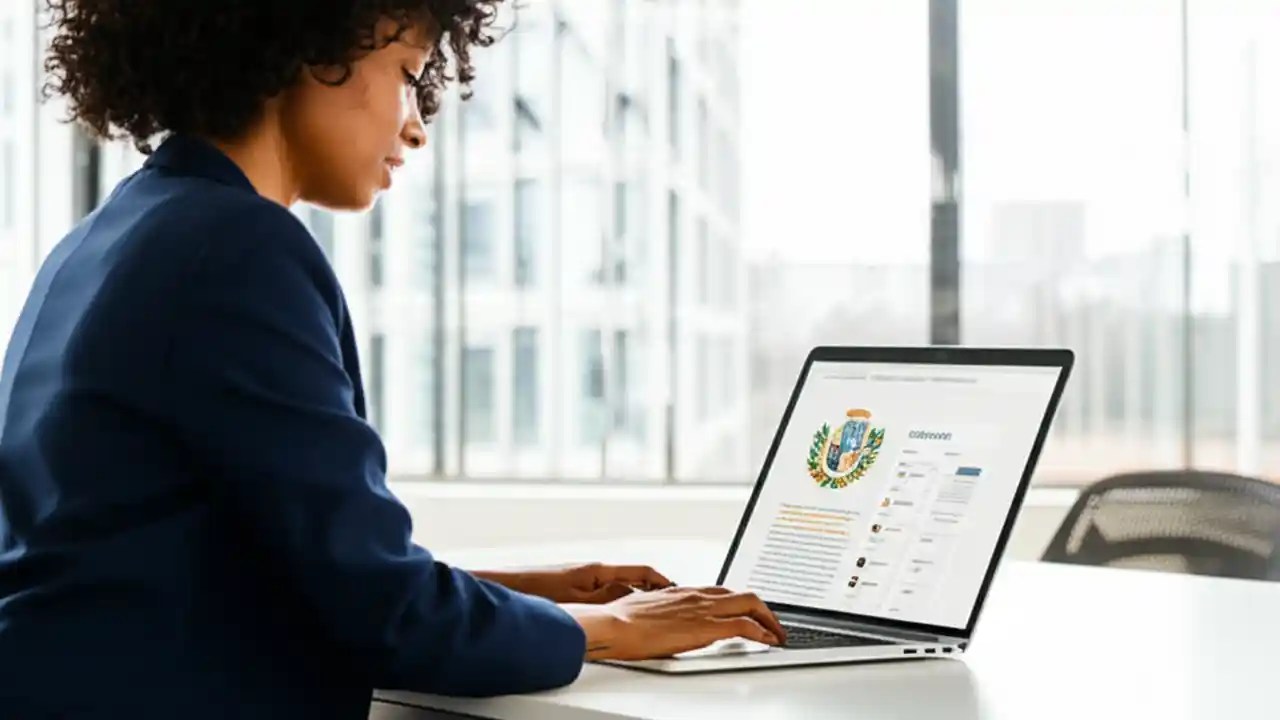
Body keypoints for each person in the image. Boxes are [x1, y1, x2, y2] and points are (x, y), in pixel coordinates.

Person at [0, 2, 785, 718]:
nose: (417, 127)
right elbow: (385, 617)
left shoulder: (110, 236)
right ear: (312, 48)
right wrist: (605, 627)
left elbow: (241, 566)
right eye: (408, 76)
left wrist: (527, 594)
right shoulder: (237, 249)